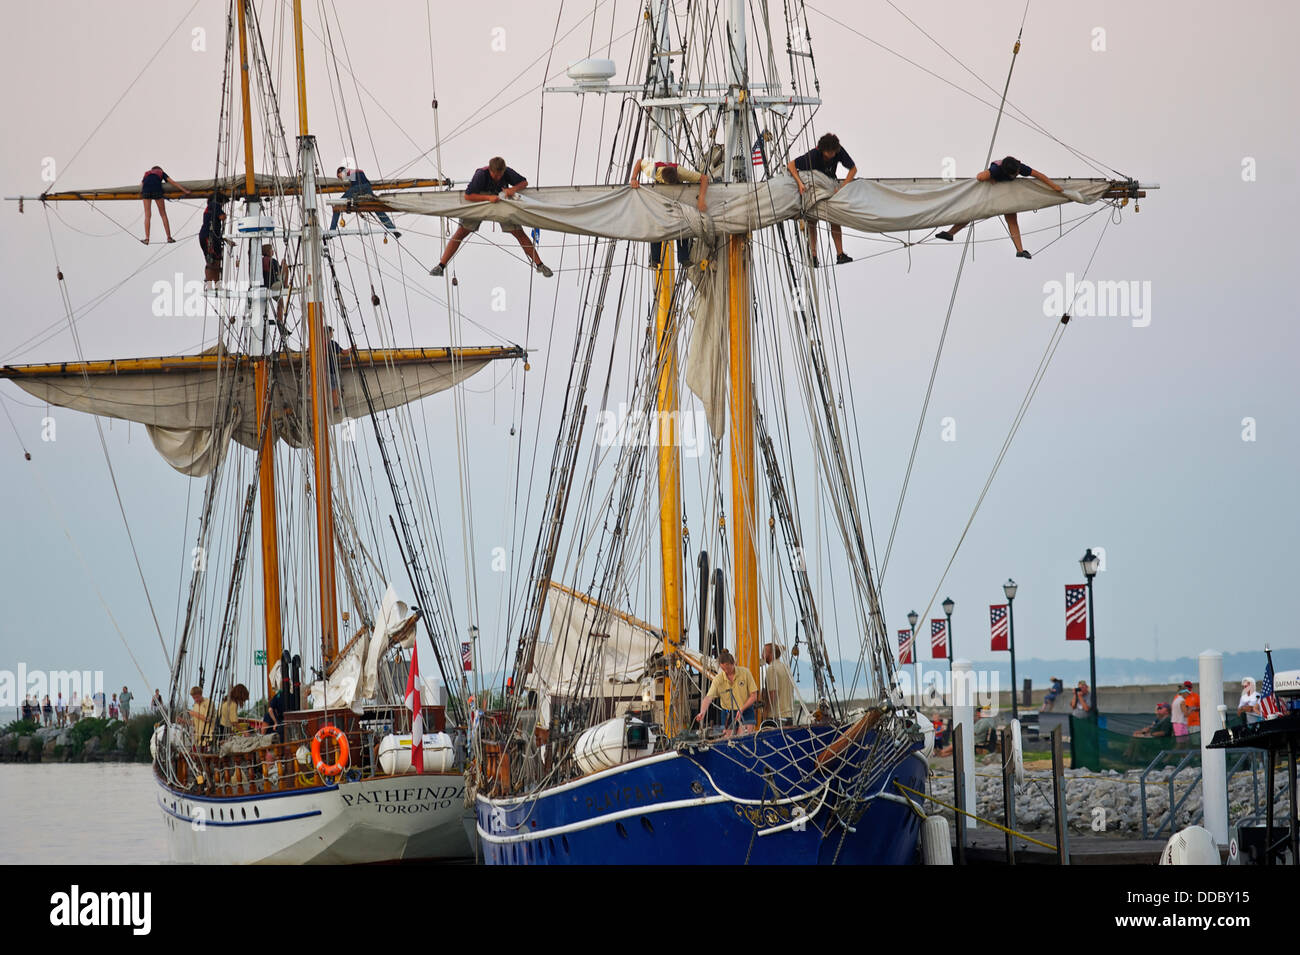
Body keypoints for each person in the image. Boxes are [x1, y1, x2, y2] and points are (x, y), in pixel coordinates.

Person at [430, 157, 553, 277]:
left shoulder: (506, 171)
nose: (498, 177)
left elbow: (524, 182)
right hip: (480, 202)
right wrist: (488, 198)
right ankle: (441, 265)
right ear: (490, 170)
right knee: (461, 232)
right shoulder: (481, 175)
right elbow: (468, 196)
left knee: (519, 233)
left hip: (500, 201)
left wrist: (513, 189)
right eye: (496, 175)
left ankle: (540, 265)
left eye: (500, 175)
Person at [933, 156, 1062, 258]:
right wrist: (990, 179)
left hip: (1006, 193)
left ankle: (1020, 250)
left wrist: (1054, 186)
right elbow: (979, 177)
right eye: (1015, 174)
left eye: (1018, 173)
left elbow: (1038, 175)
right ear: (1007, 173)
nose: (1017, 175)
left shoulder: (1020, 167)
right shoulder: (996, 170)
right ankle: (950, 233)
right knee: (972, 213)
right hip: (992, 191)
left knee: (1012, 221)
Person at [786, 133, 857, 267]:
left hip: (829, 186)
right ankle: (813, 256)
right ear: (821, 150)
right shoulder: (814, 154)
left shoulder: (839, 151)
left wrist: (842, 187)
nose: (830, 156)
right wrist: (800, 183)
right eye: (827, 153)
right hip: (814, 187)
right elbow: (791, 165)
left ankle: (840, 254)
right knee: (812, 220)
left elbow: (853, 169)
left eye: (832, 153)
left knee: (834, 218)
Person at [629, 156, 709, 267]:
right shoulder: (653, 170)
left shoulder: (682, 172)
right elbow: (639, 161)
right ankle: (654, 259)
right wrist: (633, 178)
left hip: (679, 199)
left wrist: (701, 199)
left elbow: (704, 178)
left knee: (683, 225)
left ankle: (684, 259)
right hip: (659, 198)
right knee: (657, 225)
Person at [694, 649, 759, 738]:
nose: (726, 671)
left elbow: (754, 695)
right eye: (723, 669)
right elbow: (708, 698)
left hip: (746, 710)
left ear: (733, 664)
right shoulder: (718, 679)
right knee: (728, 740)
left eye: (728, 668)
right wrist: (702, 712)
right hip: (728, 713)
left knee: (743, 738)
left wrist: (742, 709)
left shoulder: (745, 673)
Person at [328, 166, 399, 236]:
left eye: (339, 176)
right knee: (377, 209)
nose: (340, 178)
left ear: (341, 172)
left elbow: (351, 173)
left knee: (337, 204)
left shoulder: (349, 172)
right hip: (367, 188)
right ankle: (393, 229)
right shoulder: (355, 176)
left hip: (357, 188)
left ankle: (332, 230)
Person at [140, 165, 192, 244]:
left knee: (147, 215)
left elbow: (141, 185)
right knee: (163, 214)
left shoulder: (147, 173)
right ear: (159, 169)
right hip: (157, 190)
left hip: (145, 190)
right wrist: (185, 191)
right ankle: (169, 237)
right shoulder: (161, 172)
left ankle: (147, 239)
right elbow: (173, 182)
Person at [761, 642, 796, 726]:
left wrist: (765, 713)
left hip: (776, 716)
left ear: (771, 654)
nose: (762, 655)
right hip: (788, 715)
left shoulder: (771, 669)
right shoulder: (785, 667)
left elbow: (772, 693)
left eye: (763, 652)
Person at [199, 195, 227, 282]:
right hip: (210, 236)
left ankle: (215, 285)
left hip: (210, 236)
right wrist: (224, 215)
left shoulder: (210, 207)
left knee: (215, 260)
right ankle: (211, 284)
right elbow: (222, 217)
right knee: (211, 261)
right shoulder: (215, 204)